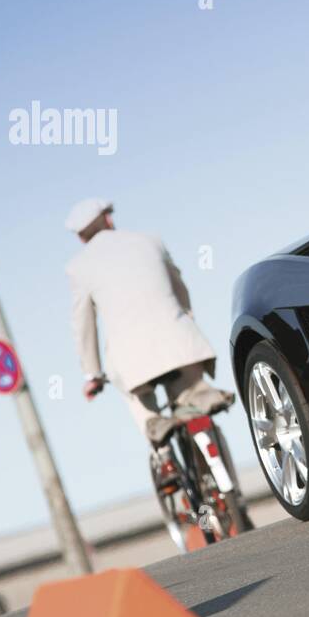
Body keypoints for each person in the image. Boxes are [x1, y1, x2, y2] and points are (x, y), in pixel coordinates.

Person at [64, 198, 233, 464]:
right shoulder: (149, 240)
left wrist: (92, 374)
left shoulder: (78, 267)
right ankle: (201, 421)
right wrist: (186, 318)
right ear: (108, 219)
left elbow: (83, 324)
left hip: (133, 364)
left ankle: (163, 455)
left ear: (81, 238)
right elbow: (179, 287)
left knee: (138, 399)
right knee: (193, 396)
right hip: (180, 342)